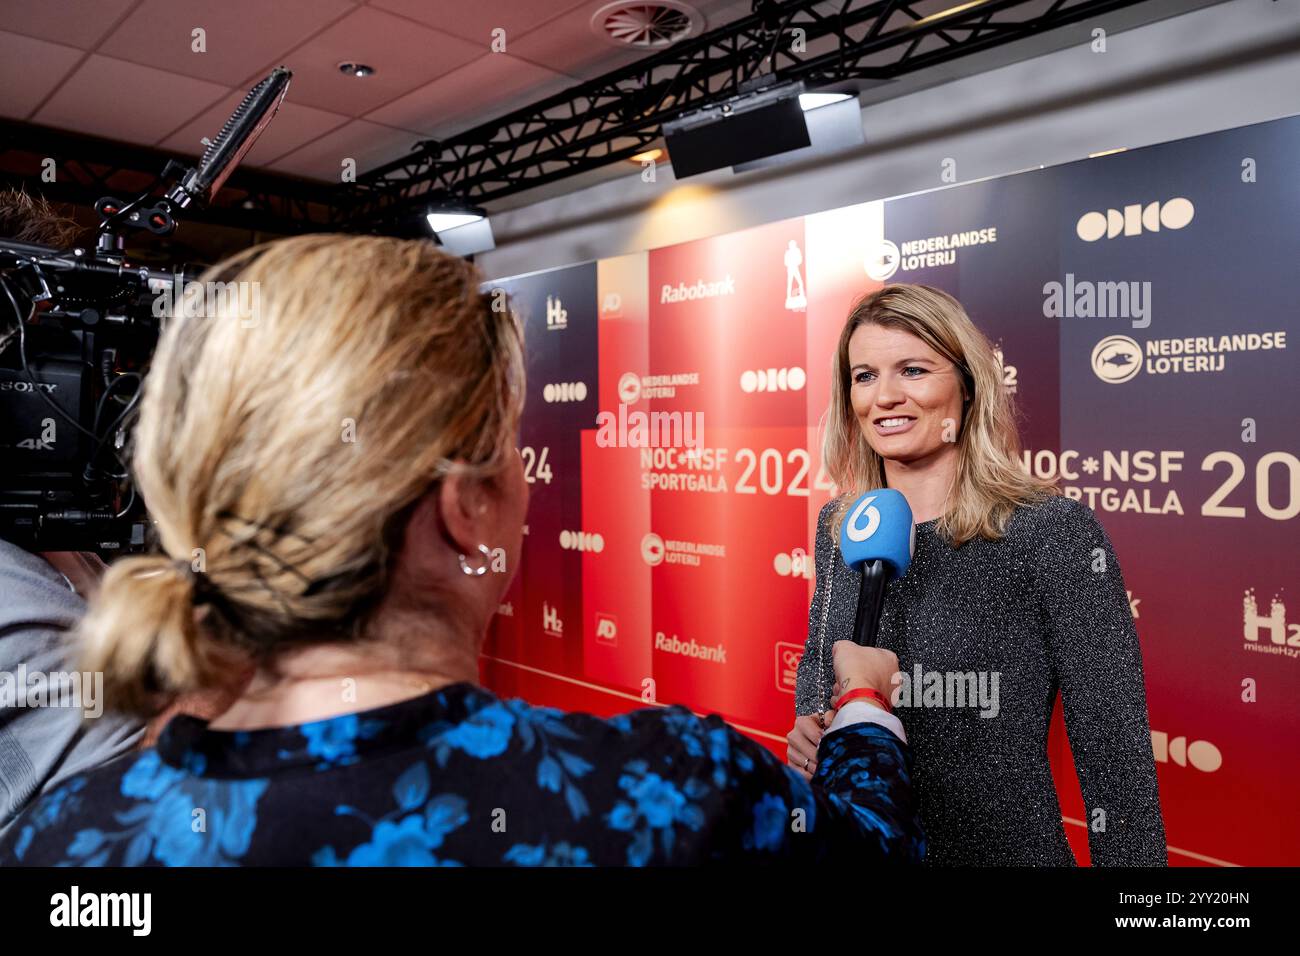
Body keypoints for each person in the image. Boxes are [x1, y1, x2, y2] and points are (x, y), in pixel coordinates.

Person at [0, 234, 924, 866]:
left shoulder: (63, 842)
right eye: (511, 452)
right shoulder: (666, 794)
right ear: (466, 509)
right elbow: (873, 852)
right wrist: (863, 711)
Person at [787, 283, 1166, 866]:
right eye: (863, 376)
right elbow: (819, 677)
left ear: (966, 386)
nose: (883, 397)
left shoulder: (1049, 531)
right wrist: (814, 734)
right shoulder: (840, 522)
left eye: (912, 370)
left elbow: (1116, 760)